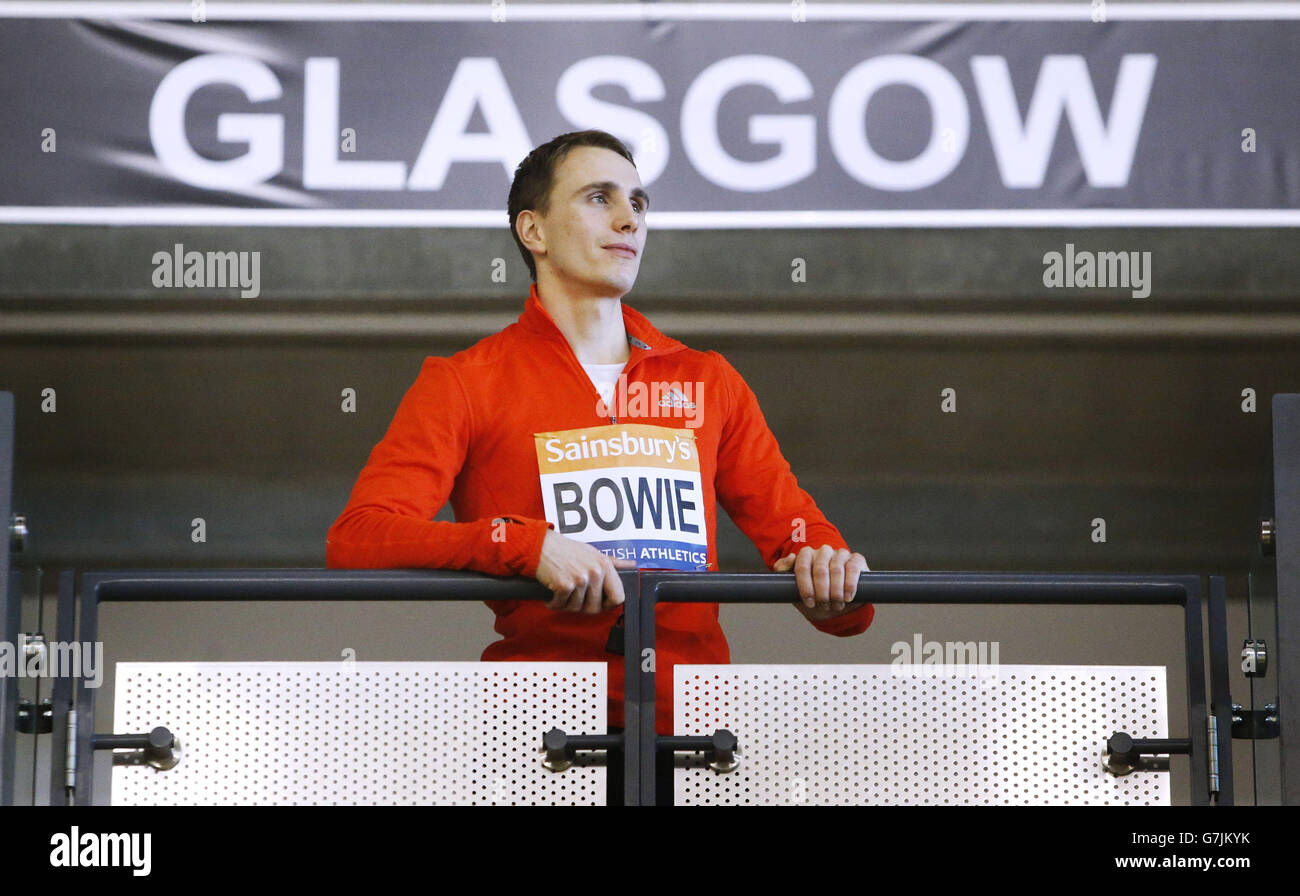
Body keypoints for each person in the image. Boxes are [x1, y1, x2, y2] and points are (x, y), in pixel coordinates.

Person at [326, 129, 874, 803]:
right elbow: (359, 537)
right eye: (598, 198)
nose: (628, 220)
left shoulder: (709, 381)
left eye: (639, 204)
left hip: (697, 736)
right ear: (534, 230)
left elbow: (838, 593)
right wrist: (523, 543)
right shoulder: (464, 381)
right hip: (534, 736)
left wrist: (830, 570)